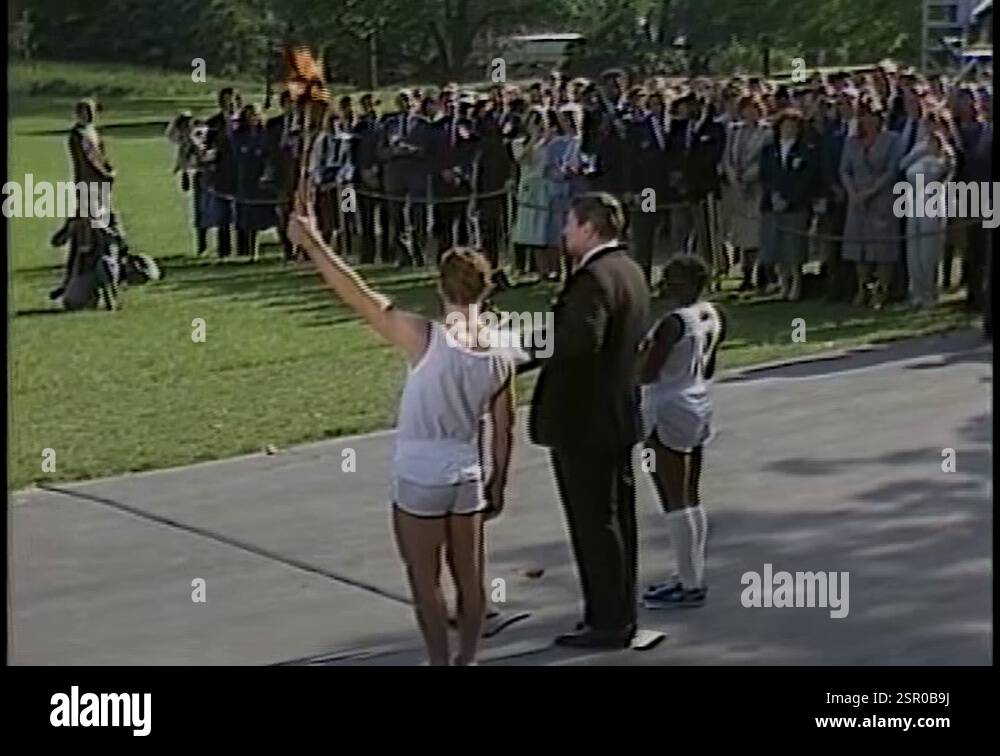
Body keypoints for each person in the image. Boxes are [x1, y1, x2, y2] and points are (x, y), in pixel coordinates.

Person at [287, 207, 515, 667]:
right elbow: (505, 426)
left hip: (419, 473)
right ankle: (467, 659)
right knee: (470, 577)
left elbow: (359, 295)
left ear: (440, 287)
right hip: (466, 469)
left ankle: (437, 660)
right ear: (486, 288)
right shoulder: (503, 351)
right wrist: (498, 480)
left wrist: (314, 244)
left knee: (425, 579)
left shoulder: (426, 337)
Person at [528, 193, 650, 648]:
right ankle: (616, 611)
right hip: (617, 414)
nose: (564, 231)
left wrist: (526, 349)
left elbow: (581, 340)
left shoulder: (594, 279)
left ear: (589, 228)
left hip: (585, 420)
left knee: (593, 522)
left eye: (570, 223)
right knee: (617, 519)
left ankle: (608, 621)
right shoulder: (629, 270)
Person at [638, 254, 726, 608]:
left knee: (673, 498)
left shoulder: (673, 323)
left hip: (667, 405)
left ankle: (689, 586)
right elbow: (708, 367)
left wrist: (638, 354)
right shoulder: (712, 314)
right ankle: (692, 572)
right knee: (691, 494)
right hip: (697, 400)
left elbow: (646, 373)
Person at [839, 97, 902, 308]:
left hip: (882, 199)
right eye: (865, 115)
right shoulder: (852, 141)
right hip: (856, 200)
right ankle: (862, 287)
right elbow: (844, 169)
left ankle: (881, 290)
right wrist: (853, 192)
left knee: (883, 247)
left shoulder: (893, 140)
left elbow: (892, 171)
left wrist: (870, 192)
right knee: (859, 247)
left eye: (873, 115)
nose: (868, 120)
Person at [760, 108, 819, 301]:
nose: (789, 129)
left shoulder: (806, 150)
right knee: (776, 246)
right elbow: (766, 175)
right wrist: (774, 196)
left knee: (794, 247)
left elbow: (807, 179)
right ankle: (783, 284)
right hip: (772, 204)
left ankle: (797, 284)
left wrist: (789, 198)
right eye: (786, 125)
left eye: (793, 126)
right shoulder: (770, 149)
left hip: (796, 206)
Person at [900, 126, 955, 309]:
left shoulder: (943, 156)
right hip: (913, 202)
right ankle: (916, 292)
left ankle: (930, 293)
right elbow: (902, 165)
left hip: (932, 203)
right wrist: (920, 150)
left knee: (927, 251)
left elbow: (946, 171)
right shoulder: (918, 152)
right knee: (913, 250)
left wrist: (940, 149)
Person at [722, 94, 771, 292]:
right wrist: (734, 178)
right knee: (741, 235)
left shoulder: (766, 132)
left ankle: (760, 274)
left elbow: (765, 160)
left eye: (754, 108)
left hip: (757, 188)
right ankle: (745, 274)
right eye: (746, 108)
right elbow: (727, 158)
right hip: (737, 191)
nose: (749, 112)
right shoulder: (734, 131)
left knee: (757, 234)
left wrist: (749, 177)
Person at [231, 103, 276, 260]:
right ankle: (245, 251)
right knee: (244, 217)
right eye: (250, 115)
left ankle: (257, 251)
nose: (253, 118)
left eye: (255, 115)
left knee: (261, 215)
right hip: (245, 178)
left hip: (262, 178)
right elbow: (239, 153)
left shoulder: (265, 133)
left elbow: (269, 153)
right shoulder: (239, 135)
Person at [165, 112, 210, 254]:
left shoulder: (201, 135)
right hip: (195, 175)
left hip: (208, 174)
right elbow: (171, 136)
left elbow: (202, 154)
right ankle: (201, 245)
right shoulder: (184, 139)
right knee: (198, 212)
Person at [204, 87, 239, 258]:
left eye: (233, 100)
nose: (230, 104)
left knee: (242, 215)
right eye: (226, 101)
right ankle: (224, 251)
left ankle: (244, 250)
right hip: (222, 173)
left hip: (242, 173)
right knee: (222, 215)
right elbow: (206, 149)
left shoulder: (246, 121)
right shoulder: (213, 124)